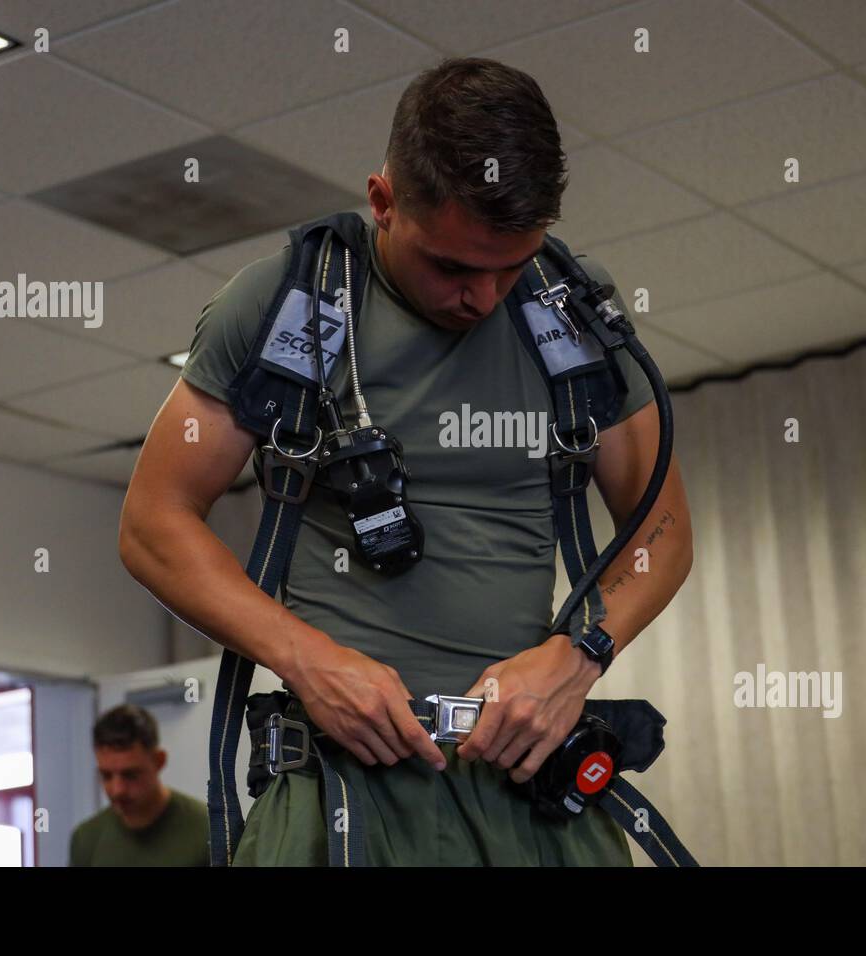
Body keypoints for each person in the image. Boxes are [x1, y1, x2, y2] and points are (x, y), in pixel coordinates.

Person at [119, 56, 693, 865]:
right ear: (383, 201)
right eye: (454, 266)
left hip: (525, 783)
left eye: (510, 266)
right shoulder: (289, 303)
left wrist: (576, 658)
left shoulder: (569, 312)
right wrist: (306, 659)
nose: (483, 298)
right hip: (344, 789)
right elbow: (152, 523)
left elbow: (662, 528)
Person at [68, 704, 209, 866]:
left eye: (130, 775)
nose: (117, 790)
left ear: (159, 761)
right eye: (106, 775)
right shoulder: (86, 839)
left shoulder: (208, 832)